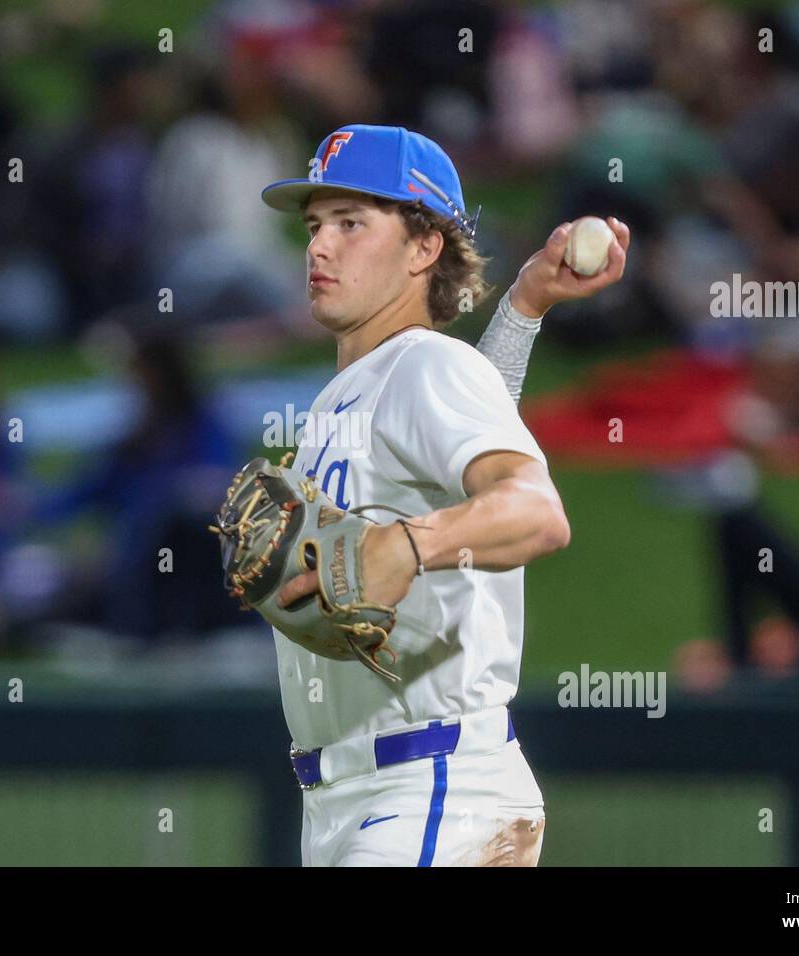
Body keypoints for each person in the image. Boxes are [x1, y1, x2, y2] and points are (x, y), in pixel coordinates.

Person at [256, 124, 628, 866]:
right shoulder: (358, 392)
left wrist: (410, 546)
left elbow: (535, 508)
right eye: (315, 224)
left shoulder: (421, 364)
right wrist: (523, 309)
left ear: (425, 247)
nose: (320, 247)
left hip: (430, 790)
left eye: (353, 222)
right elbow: (456, 430)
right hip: (352, 801)